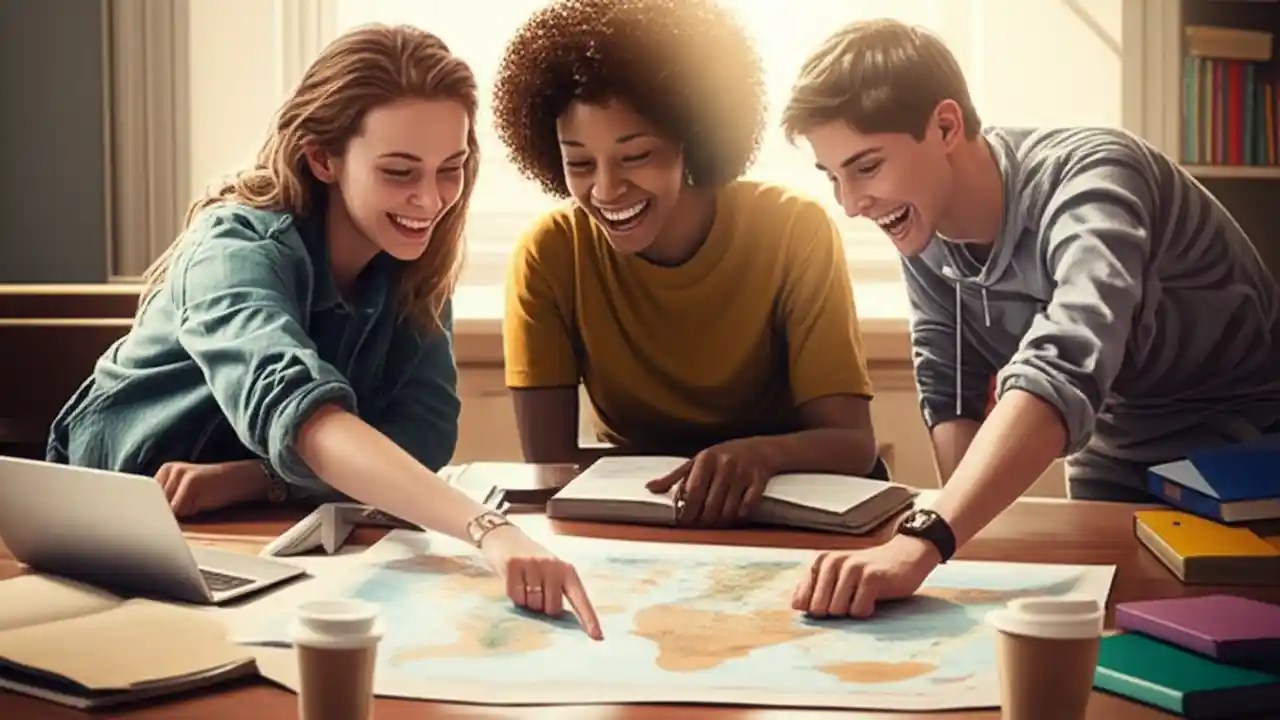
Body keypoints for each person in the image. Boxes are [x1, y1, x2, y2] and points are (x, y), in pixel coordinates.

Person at [46, 24, 601, 638]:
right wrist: (488, 528)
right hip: (118, 534)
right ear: (323, 158)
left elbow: (422, 436)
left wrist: (260, 479)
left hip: (262, 541)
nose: (430, 199)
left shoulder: (412, 264)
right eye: (399, 172)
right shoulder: (232, 249)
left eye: (452, 167)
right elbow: (299, 413)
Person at [782, 19, 1280, 618]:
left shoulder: (1095, 176)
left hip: (1247, 462)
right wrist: (954, 544)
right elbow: (950, 391)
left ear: (945, 126)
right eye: (833, 177)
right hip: (1115, 461)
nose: (851, 204)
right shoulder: (922, 228)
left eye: (865, 168)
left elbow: (1066, 362)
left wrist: (921, 539)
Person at [491, 0, 883, 529]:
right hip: (644, 518)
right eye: (579, 162)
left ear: (691, 139)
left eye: (635, 156)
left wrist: (760, 456)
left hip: (792, 514)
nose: (605, 189)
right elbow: (547, 469)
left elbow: (853, 446)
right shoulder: (551, 254)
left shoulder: (794, 231)